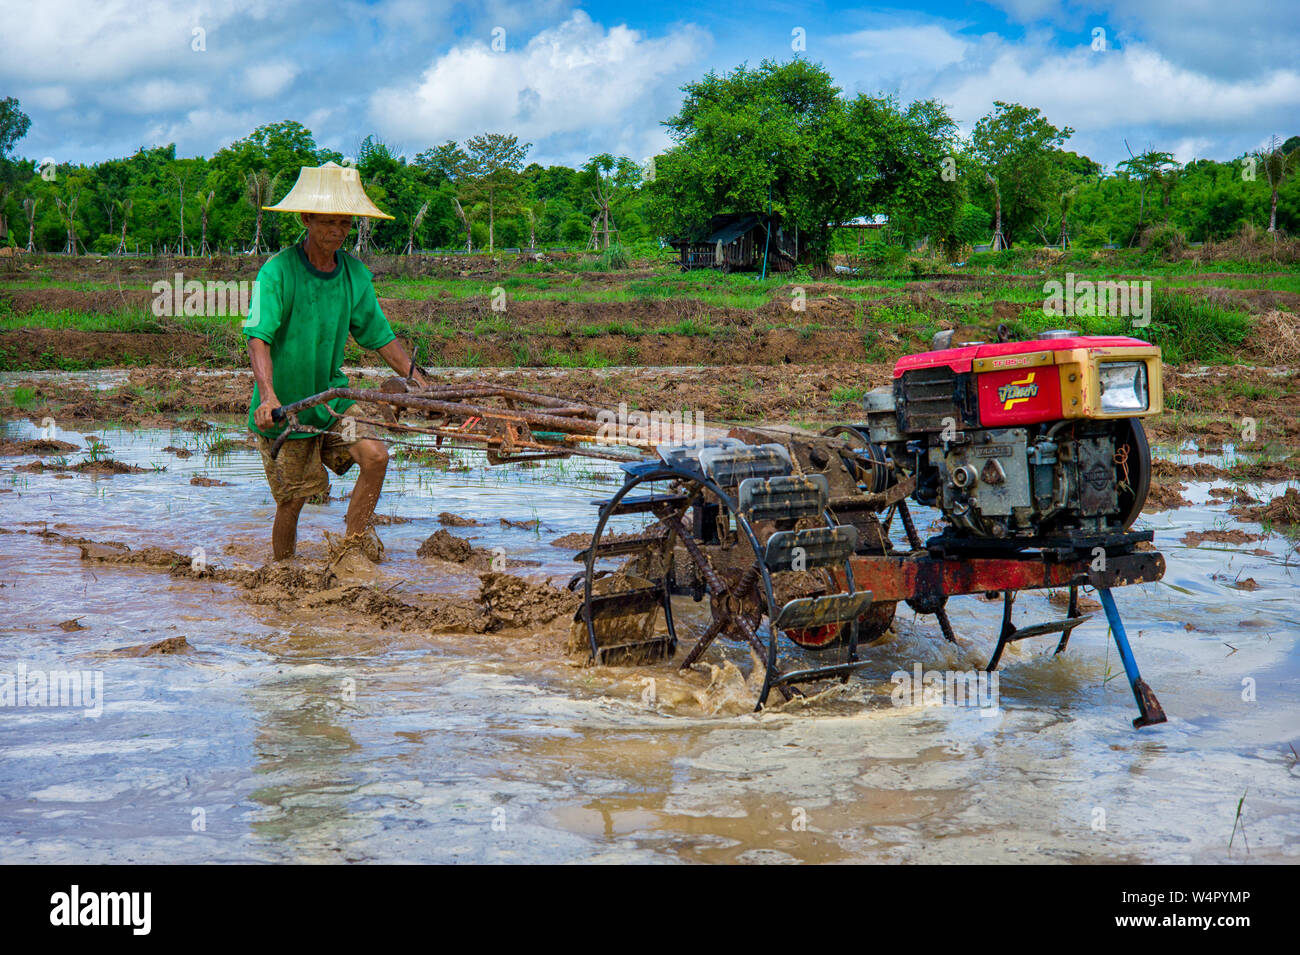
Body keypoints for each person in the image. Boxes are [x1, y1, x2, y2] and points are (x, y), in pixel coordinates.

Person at [244, 161, 430, 573]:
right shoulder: (277, 273)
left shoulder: (354, 275)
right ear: (306, 219)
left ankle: (350, 548)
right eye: (328, 221)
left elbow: (380, 336)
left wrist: (418, 382)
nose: (337, 231)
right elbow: (259, 337)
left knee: (376, 456)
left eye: (345, 223)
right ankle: (283, 573)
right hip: (285, 412)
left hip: (331, 404)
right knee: (292, 501)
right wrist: (269, 396)